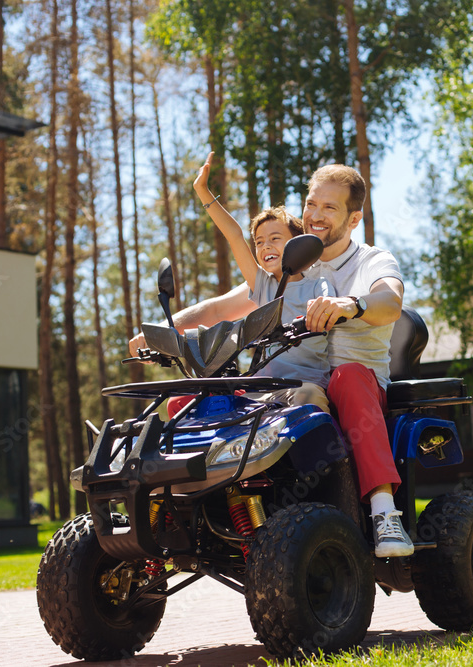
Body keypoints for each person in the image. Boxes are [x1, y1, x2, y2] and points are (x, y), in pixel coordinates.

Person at [130, 163, 412, 558]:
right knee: (201, 400)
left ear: (353, 218)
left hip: (352, 384)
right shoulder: (287, 269)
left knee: (345, 377)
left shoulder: (371, 261)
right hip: (286, 384)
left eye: (329, 208)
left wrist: (353, 304)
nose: (316, 214)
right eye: (311, 204)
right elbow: (219, 308)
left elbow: (391, 301)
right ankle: (194, 510)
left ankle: (383, 513)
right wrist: (161, 331)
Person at [192, 153, 332, 412]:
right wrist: (203, 192)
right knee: (216, 408)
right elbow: (234, 235)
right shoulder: (263, 285)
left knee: (308, 398)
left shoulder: (318, 286)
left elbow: (327, 307)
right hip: (263, 388)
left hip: (304, 384)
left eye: (275, 238)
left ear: (297, 243)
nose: (265, 245)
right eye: (259, 242)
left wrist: (317, 315)